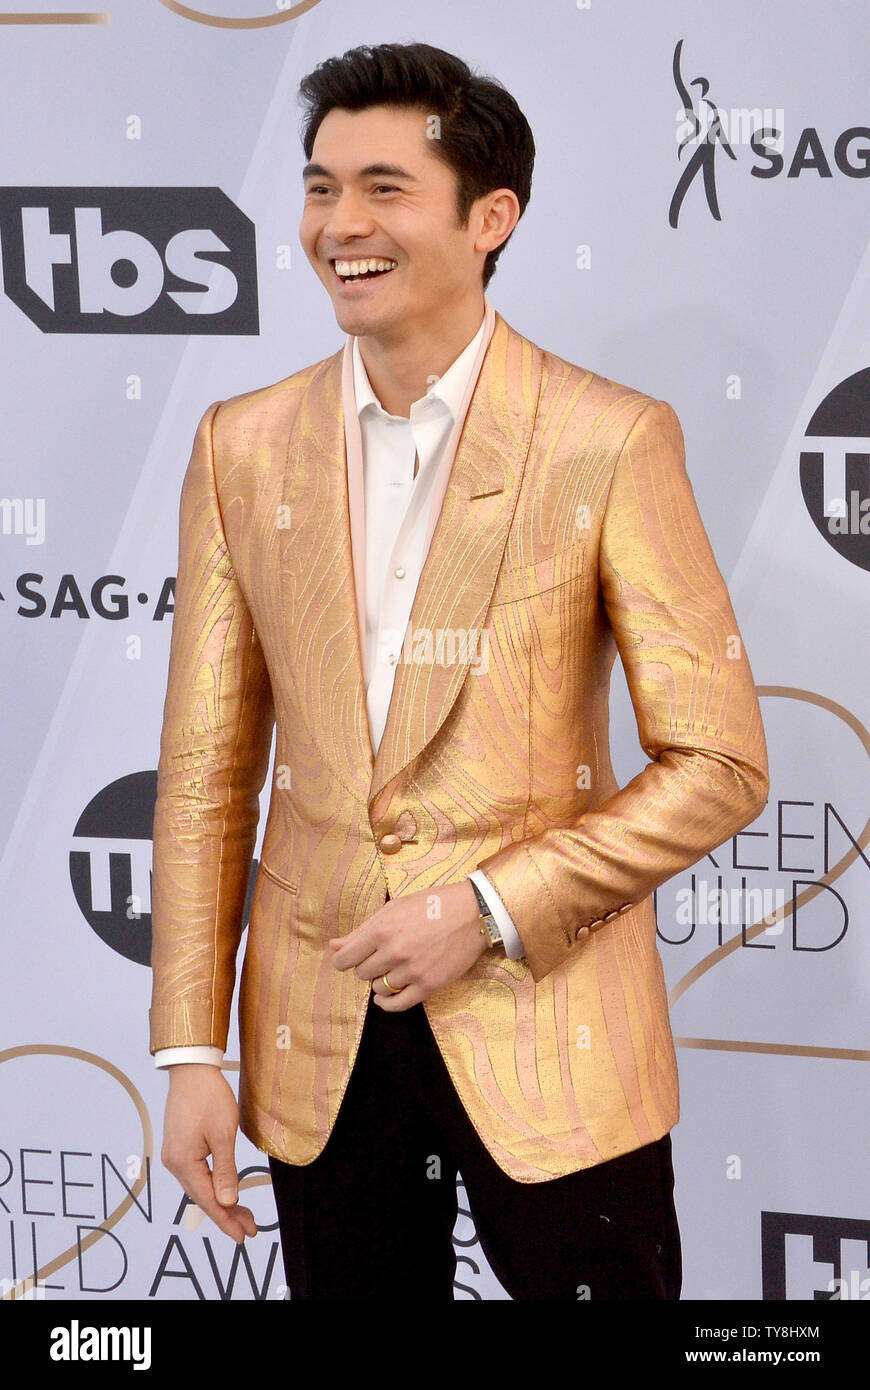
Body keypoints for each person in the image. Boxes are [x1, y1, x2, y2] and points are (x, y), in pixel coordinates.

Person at [149, 41, 769, 1301]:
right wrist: (188, 1051)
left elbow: (721, 761)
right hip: (321, 1038)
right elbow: (208, 772)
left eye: (384, 188)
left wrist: (481, 907)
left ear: (493, 219)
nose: (339, 226)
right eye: (321, 187)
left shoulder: (608, 439)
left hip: (553, 1025)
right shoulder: (241, 447)